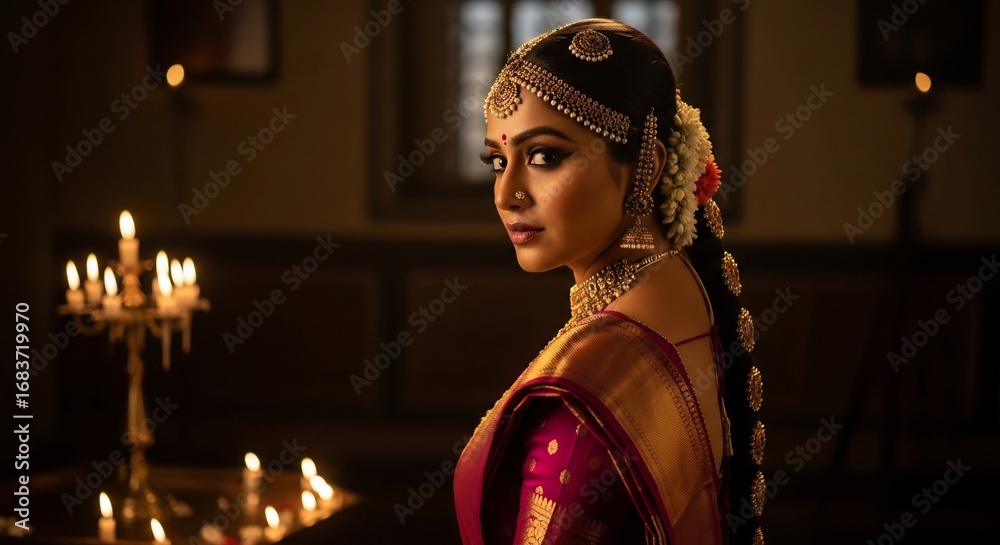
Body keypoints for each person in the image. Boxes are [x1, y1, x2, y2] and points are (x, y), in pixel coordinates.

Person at [454, 19, 766, 545]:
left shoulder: (581, 404)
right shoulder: (683, 289)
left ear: (648, 167)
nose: (507, 195)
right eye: (497, 161)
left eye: (544, 157)